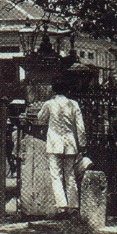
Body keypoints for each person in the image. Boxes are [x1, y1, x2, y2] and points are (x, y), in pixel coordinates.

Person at [38, 78, 86, 217]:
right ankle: (73, 205)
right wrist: (82, 143)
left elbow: (41, 118)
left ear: (54, 90)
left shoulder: (49, 104)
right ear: (67, 90)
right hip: (70, 144)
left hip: (54, 143)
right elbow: (80, 127)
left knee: (56, 175)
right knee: (70, 174)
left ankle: (61, 206)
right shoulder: (74, 104)